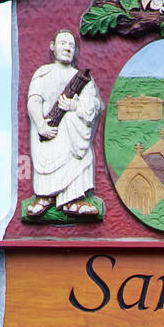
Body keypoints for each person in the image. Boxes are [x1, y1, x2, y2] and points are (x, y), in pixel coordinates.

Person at [25, 30, 102, 218]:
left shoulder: (82, 79)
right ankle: (44, 197)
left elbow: (93, 105)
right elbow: (34, 101)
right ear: (52, 46)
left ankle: (73, 200)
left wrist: (75, 105)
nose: (67, 48)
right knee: (46, 162)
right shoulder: (43, 73)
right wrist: (41, 124)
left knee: (79, 157)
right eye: (63, 43)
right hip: (50, 133)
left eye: (71, 45)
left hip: (73, 136)